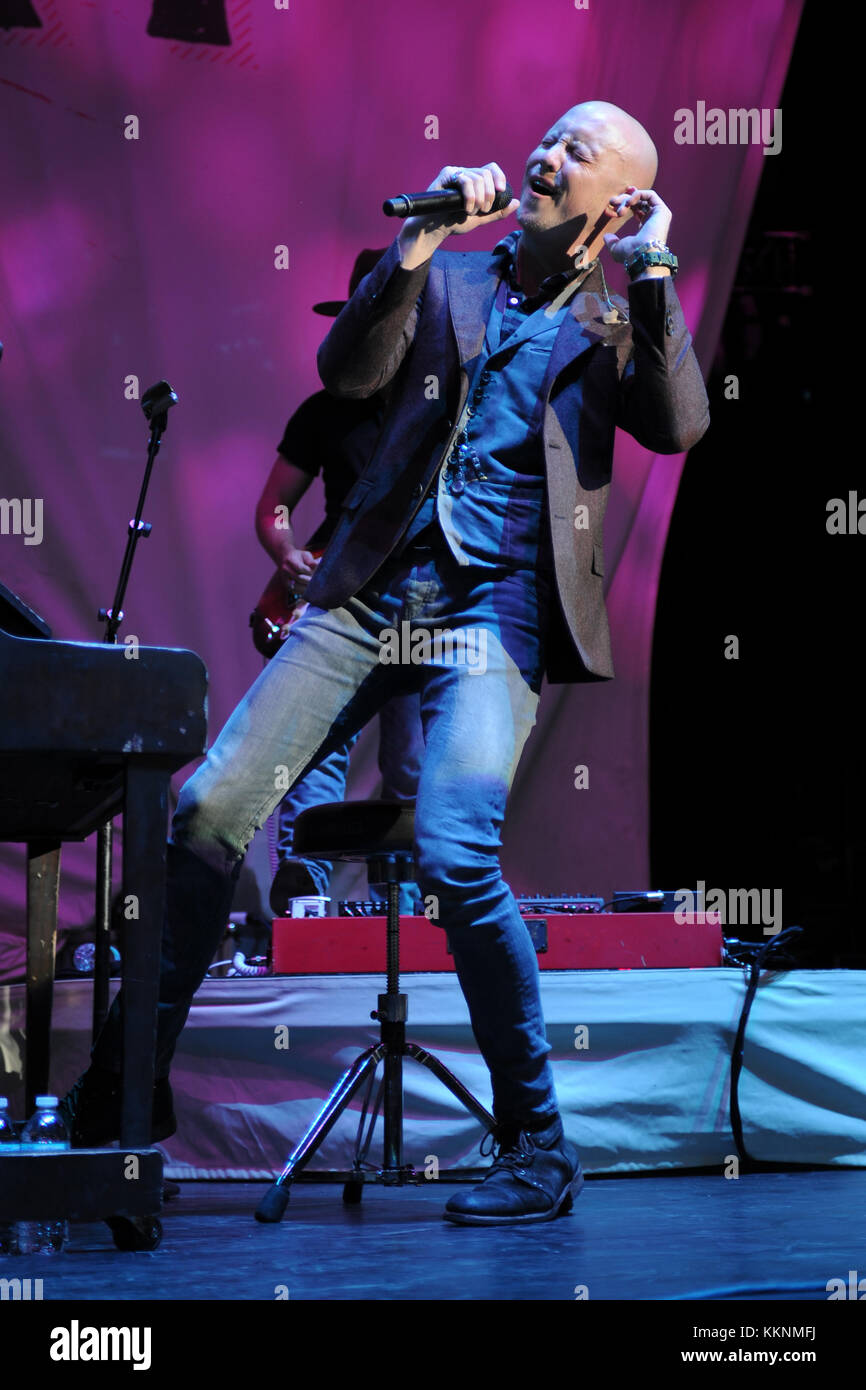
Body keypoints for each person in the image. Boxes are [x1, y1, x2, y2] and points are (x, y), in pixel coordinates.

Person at [63, 100, 709, 1226]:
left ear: (616, 206)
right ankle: (120, 1119)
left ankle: (538, 1149)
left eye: (575, 152)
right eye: (546, 137)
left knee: (458, 846)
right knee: (211, 807)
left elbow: (677, 422)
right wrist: (414, 248)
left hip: (491, 608)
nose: (543, 154)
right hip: (368, 592)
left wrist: (653, 269)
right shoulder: (451, 277)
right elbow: (347, 372)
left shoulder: (614, 319)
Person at [254, 256, 424, 916]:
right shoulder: (324, 410)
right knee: (316, 747)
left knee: (409, 760)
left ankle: (406, 906)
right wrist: (286, 549)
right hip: (336, 596)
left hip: (416, 603)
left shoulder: (438, 406)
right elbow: (274, 504)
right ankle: (305, 890)